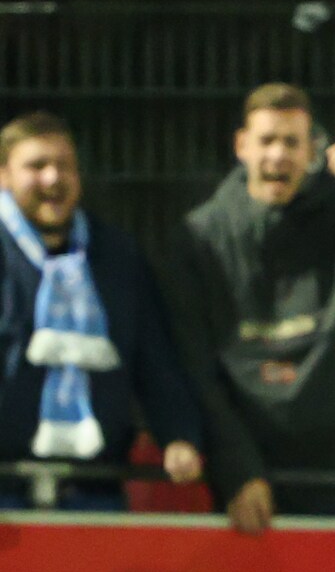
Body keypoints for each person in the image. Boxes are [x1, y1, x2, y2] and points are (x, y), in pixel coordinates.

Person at [165, 83, 335, 531]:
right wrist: (237, 470)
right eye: (267, 140)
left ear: (312, 152)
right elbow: (195, 366)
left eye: (292, 142)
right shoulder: (200, 239)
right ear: (241, 146)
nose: (278, 155)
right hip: (246, 482)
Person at [0, 113, 204, 509]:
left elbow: (154, 358)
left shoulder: (116, 256)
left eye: (64, 166)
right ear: (4, 175)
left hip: (96, 489)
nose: (52, 179)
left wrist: (179, 434)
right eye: (36, 166)